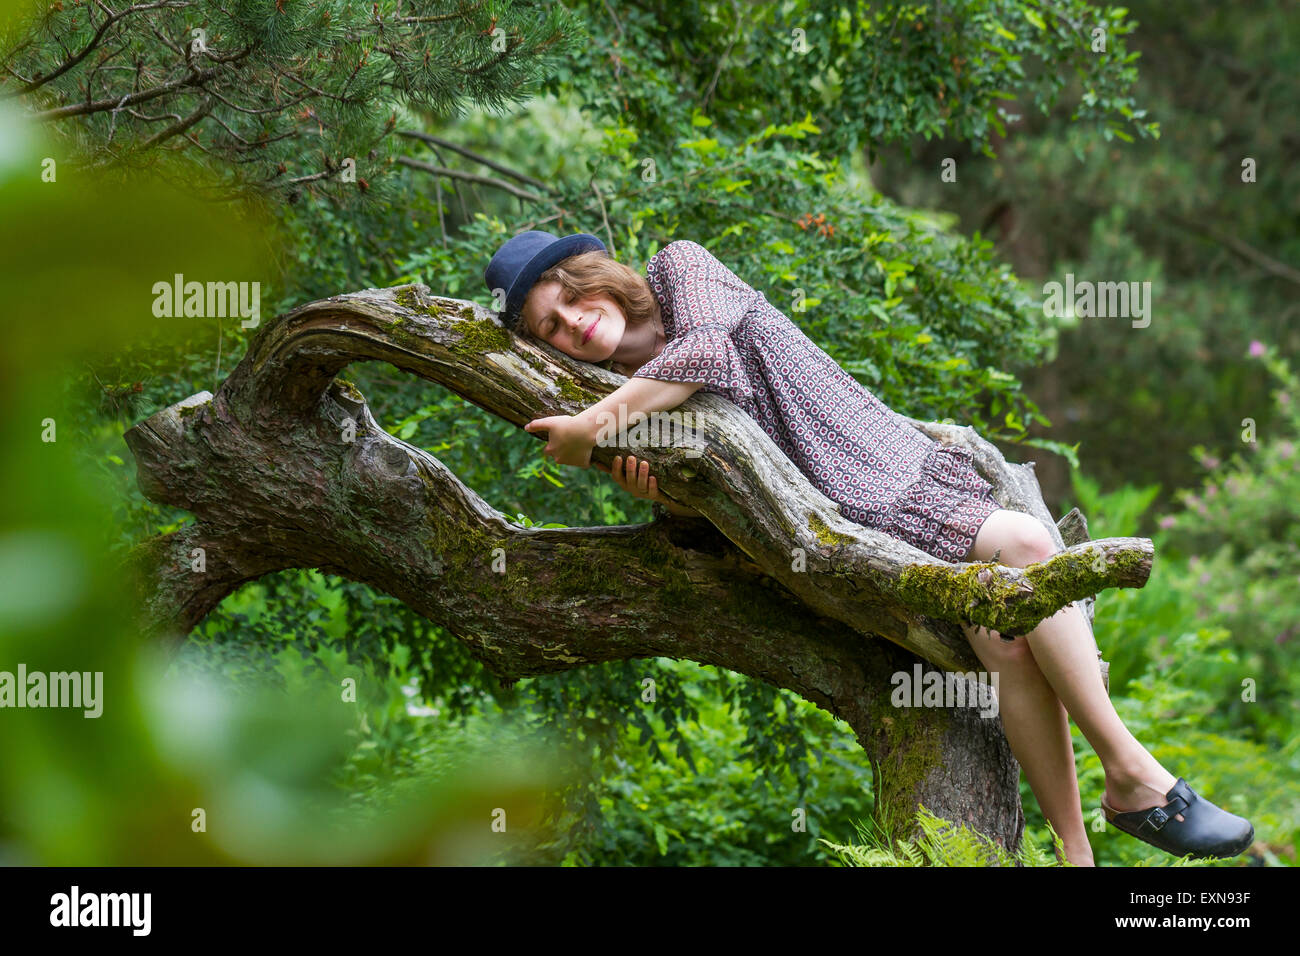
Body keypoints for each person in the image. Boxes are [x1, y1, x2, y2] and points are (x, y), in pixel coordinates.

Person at [483, 229, 1256, 866]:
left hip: (902, 480)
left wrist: (596, 427)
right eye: (552, 327)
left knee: (1019, 570)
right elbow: (711, 524)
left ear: (596, 278)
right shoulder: (618, 408)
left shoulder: (679, 270)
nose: (574, 322)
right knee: (1004, 636)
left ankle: (1112, 798)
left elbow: (710, 355)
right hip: (838, 545)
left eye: (572, 297)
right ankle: (1101, 821)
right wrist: (662, 492)